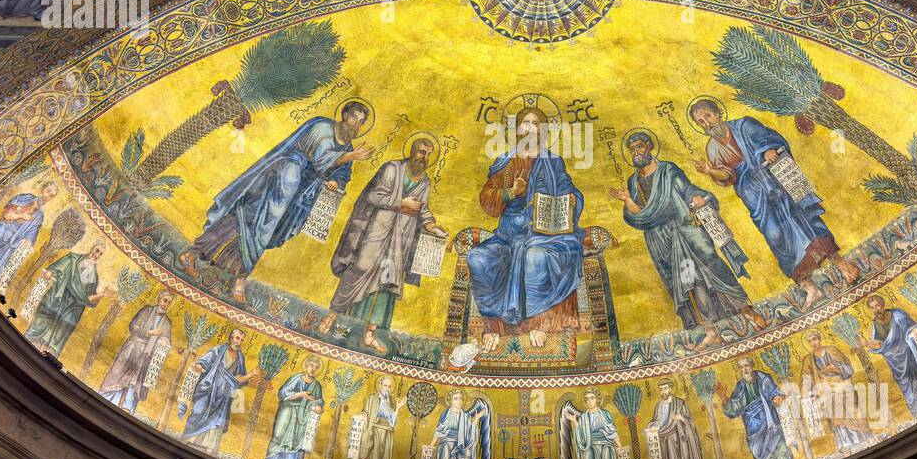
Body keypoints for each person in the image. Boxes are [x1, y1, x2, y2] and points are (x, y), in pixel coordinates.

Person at [180, 100, 374, 302]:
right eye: (354, 118)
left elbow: (343, 173)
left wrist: (336, 180)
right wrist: (348, 156)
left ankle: (236, 273)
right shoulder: (322, 127)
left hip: (299, 196)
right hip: (281, 180)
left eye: (361, 122)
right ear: (344, 115)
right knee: (248, 219)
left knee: (269, 230)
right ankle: (197, 256)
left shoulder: (348, 147)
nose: (356, 125)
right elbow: (319, 158)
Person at [689, 99, 859, 308]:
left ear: (718, 113)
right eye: (700, 122)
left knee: (803, 218)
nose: (706, 123)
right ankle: (808, 287)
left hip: (773, 178)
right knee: (775, 235)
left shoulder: (744, 125)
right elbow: (728, 176)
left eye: (708, 116)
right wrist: (710, 171)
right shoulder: (713, 149)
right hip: (752, 194)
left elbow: (770, 140)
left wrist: (767, 150)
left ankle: (841, 264)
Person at [611, 131, 756, 350]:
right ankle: (709, 329)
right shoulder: (634, 182)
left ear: (649, 147)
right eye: (632, 150)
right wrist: (627, 200)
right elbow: (639, 213)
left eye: (639, 147)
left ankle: (746, 309)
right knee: (687, 281)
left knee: (710, 262)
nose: (636, 153)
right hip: (660, 238)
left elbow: (686, 189)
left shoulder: (667, 170)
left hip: (685, 227)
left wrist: (695, 198)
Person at [468, 107, 584, 351]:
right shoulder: (505, 162)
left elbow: (568, 190)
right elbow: (487, 198)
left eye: (536, 123)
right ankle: (494, 327)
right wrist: (511, 192)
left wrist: (572, 199)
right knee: (478, 258)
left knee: (536, 257)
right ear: (518, 129)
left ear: (543, 130)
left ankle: (539, 322)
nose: (531, 128)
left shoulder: (554, 162)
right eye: (526, 123)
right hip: (509, 233)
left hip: (546, 233)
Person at [321, 136, 446, 354]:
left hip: (401, 238)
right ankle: (332, 315)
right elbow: (373, 195)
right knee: (359, 269)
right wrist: (400, 203)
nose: (424, 157)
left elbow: (422, 208)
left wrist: (431, 225)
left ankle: (369, 335)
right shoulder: (392, 169)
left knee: (387, 285)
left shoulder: (425, 181)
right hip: (378, 229)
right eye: (421, 151)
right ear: (412, 150)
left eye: (428, 154)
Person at [865, 294, 917, 419]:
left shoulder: (898, 315)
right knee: (912, 394)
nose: (876, 310)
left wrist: (914, 330)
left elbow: (913, 327)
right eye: (873, 308)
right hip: (898, 366)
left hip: (914, 356)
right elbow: (879, 345)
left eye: (878, 306)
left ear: (883, 304)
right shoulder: (875, 325)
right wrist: (872, 346)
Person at [25, 242, 111, 357]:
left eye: (100, 254)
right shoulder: (72, 259)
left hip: (72, 309)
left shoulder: (94, 276)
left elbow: (88, 300)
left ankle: (45, 357)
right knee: (41, 325)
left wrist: (101, 295)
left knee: (58, 335)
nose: (97, 255)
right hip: (57, 298)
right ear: (92, 247)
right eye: (96, 251)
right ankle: (27, 349)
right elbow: (54, 269)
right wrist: (50, 272)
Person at [182, 328, 258, 454]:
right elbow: (204, 362)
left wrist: (250, 375)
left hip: (224, 396)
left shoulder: (241, 358)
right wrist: (198, 366)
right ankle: (187, 441)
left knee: (217, 423)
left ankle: (208, 449)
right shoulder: (219, 350)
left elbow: (239, 379)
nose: (239, 342)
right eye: (237, 338)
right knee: (198, 412)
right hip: (209, 389)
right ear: (231, 337)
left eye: (242, 340)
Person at [0, 182, 58, 293]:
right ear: (42, 189)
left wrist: (28, 241)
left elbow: (32, 235)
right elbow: (6, 215)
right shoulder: (25, 198)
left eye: (51, 196)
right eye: (48, 192)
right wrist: (21, 215)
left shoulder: (39, 216)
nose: (48, 196)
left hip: (9, 248)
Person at [99, 290, 174, 413]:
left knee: (135, 383)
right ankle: (105, 400)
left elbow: (166, 337)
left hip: (146, 356)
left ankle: (126, 409)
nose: (166, 304)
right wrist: (150, 333)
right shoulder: (146, 310)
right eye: (165, 300)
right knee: (117, 373)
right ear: (159, 299)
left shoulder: (167, 322)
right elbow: (133, 326)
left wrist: (164, 341)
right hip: (132, 348)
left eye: (169, 302)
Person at [803, 330, 871, 454]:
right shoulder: (808, 360)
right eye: (810, 341)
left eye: (815, 339)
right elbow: (806, 380)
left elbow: (849, 369)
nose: (813, 343)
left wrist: (836, 369)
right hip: (826, 391)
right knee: (833, 411)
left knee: (853, 410)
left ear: (819, 339)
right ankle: (846, 445)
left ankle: (864, 438)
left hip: (843, 385)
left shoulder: (832, 350)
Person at [717, 357, 793, 459]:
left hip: (771, 424)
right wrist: (724, 397)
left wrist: (777, 397)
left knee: (780, 451)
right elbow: (734, 410)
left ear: (752, 365)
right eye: (742, 367)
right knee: (760, 457)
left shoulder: (764, 378)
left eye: (746, 366)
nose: (745, 370)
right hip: (753, 431)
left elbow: (773, 391)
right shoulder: (740, 387)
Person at [263, 356, 324, 459]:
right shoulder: (296, 378)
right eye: (311, 366)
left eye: (316, 367)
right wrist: (301, 394)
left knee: (297, 445)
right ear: (306, 366)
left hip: (303, 419)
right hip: (287, 412)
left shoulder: (317, 386)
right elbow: (282, 393)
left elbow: (319, 401)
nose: (313, 369)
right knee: (278, 437)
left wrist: (317, 406)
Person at [647, 378, 703, 459]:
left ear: (670, 388)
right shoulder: (658, 405)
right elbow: (656, 420)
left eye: (665, 388)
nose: (663, 392)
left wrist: (681, 417)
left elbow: (690, 420)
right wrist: (653, 426)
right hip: (665, 438)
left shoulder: (680, 403)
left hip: (679, 437)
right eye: (661, 389)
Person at [563, 389, 620, 459]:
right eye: (587, 399)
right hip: (590, 445)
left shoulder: (605, 414)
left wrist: (620, 446)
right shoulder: (583, 417)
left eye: (592, 398)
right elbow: (581, 433)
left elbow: (613, 432)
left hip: (606, 444)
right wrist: (574, 421)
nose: (589, 401)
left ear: (597, 399)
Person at [431, 389, 488, 459]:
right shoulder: (446, 414)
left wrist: (476, 418)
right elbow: (439, 431)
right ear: (451, 401)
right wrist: (431, 445)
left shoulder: (465, 416)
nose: (459, 401)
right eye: (456, 398)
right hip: (446, 445)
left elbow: (470, 431)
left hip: (461, 445)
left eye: (460, 398)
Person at [357, 376, 399, 459]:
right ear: (380, 385)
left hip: (387, 431)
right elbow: (365, 412)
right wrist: (363, 415)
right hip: (374, 429)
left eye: (389, 386)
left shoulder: (392, 401)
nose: (387, 388)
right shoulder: (372, 398)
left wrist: (398, 408)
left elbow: (393, 420)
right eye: (385, 385)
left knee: (383, 457)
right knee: (373, 455)